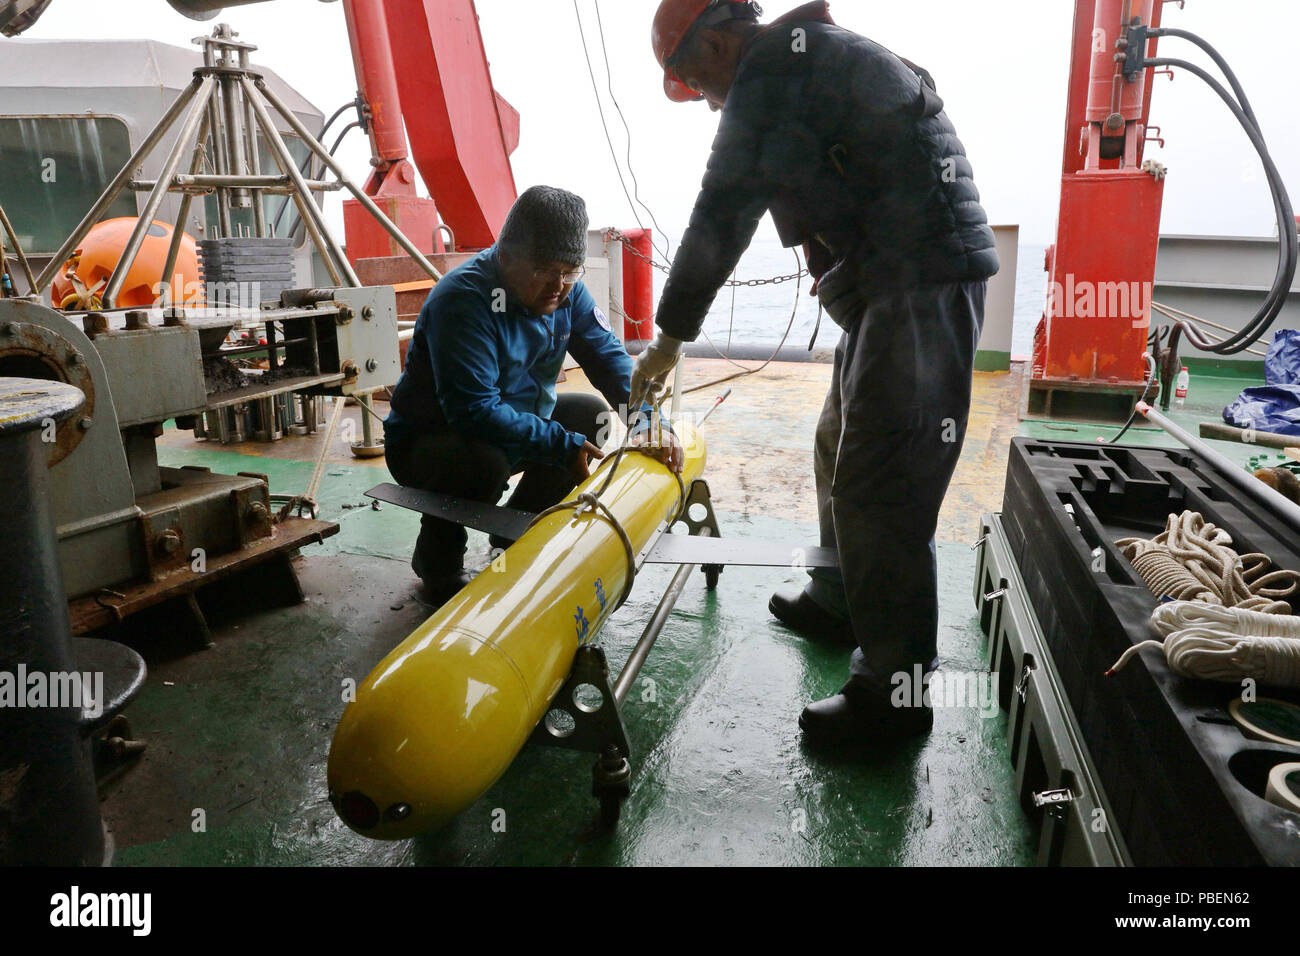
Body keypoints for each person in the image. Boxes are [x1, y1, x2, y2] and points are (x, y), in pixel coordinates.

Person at [635, 0, 999, 744]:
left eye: (698, 79)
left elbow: (722, 209)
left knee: (882, 485)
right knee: (839, 445)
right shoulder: (807, 59)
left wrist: (670, 338)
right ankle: (838, 597)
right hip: (892, 287)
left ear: (718, 39)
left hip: (919, 286)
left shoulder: (774, 66)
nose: (707, 102)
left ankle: (892, 699)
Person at [385, 185, 682, 606]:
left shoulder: (567, 293)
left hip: (513, 424)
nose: (558, 286)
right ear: (506, 257)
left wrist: (651, 422)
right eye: (545, 269)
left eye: (570, 271)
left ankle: (517, 533)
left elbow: (609, 361)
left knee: (589, 416)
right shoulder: (464, 301)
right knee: (484, 460)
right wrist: (560, 444)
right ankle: (438, 563)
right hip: (432, 441)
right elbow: (474, 411)